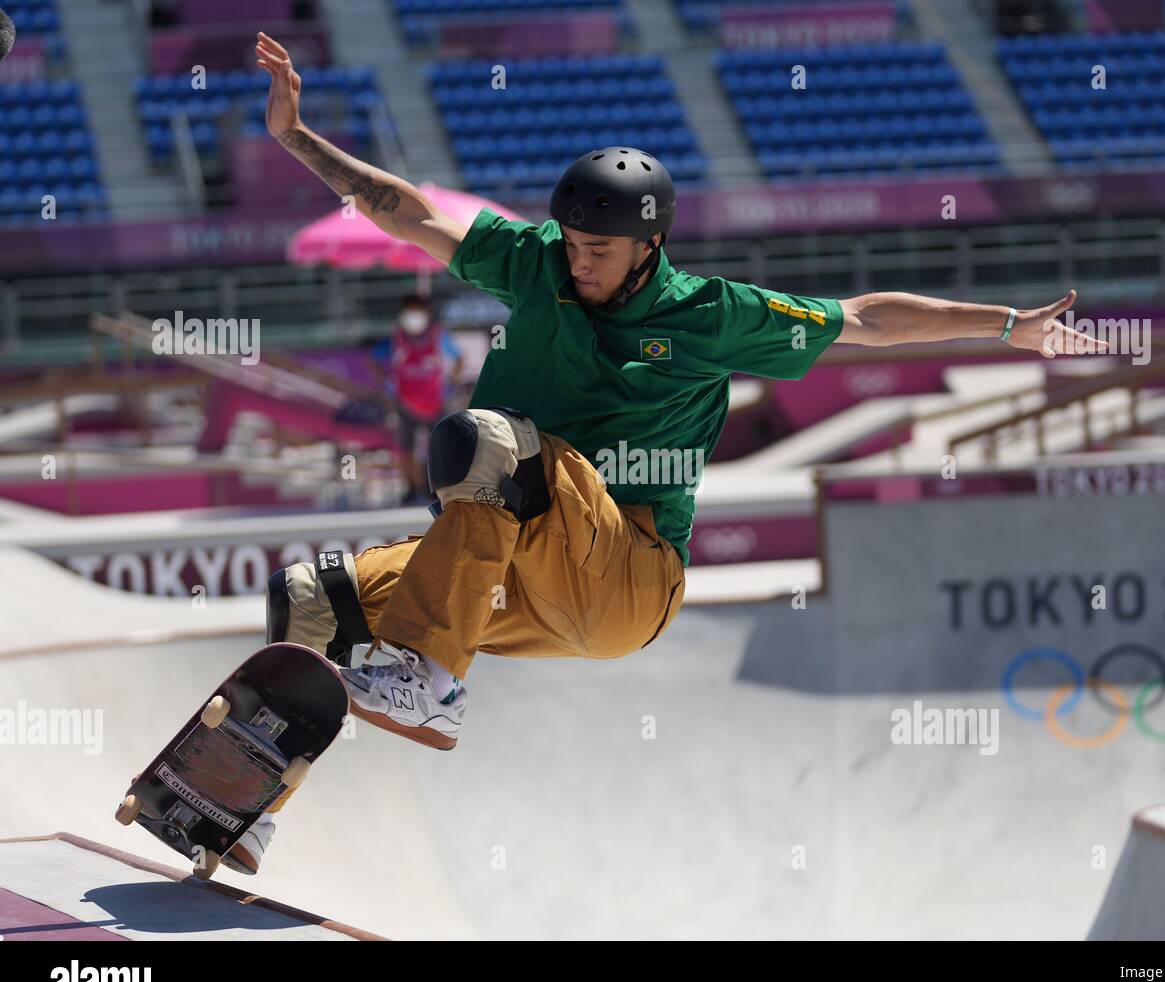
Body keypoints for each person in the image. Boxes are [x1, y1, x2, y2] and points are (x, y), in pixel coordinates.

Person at [235, 31, 1104, 875]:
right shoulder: (533, 262)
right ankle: (240, 809)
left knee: (485, 444)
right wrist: (299, 139)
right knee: (310, 601)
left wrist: (1008, 328)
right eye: (573, 247)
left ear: (652, 245)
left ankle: (430, 680)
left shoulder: (712, 314)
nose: (580, 266)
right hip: (515, 575)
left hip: (625, 576)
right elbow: (411, 211)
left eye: (600, 253)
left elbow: (868, 319)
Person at [369, 294, 464, 503]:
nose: (413, 317)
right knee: (406, 448)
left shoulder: (440, 338)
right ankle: (411, 487)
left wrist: (451, 383)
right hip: (405, 403)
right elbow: (374, 359)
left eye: (417, 312)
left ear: (427, 314)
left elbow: (459, 358)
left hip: (436, 401)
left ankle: (436, 488)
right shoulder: (396, 340)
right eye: (409, 312)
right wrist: (387, 383)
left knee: (438, 446)